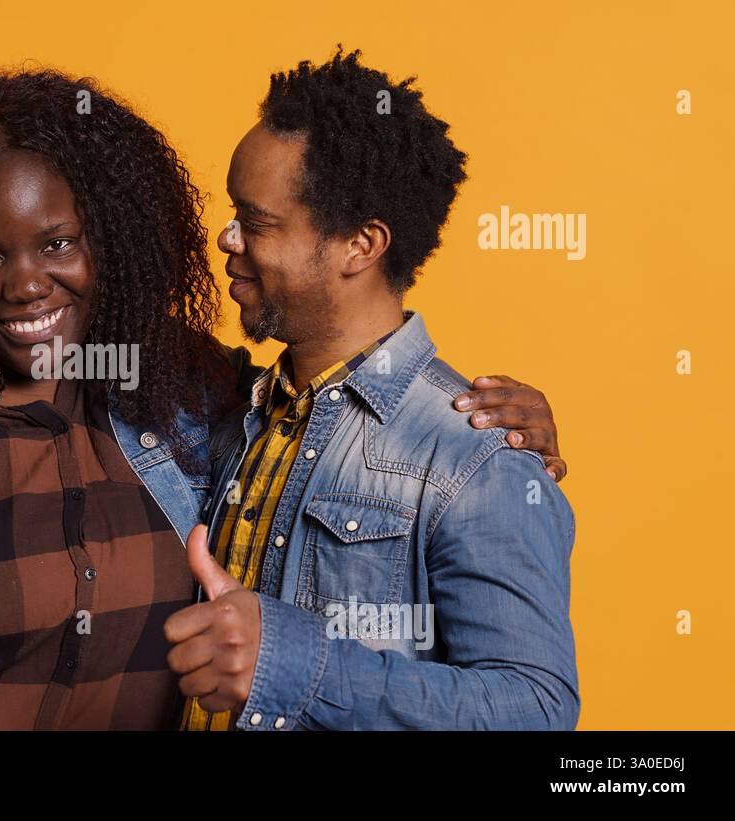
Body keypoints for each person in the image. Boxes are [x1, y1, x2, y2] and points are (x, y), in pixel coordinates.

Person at [0, 68, 566, 730]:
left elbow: (361, 410)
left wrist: (496, 443)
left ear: (105, 238)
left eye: (56, 243)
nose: (24, 285)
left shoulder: (182, 402)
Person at [165, 47, 579, 731]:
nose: (225, 237)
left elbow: (534, 710)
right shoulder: (233, 410)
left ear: (361, 245)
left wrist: (291, 663)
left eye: (257, 222)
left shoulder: (477, 456)